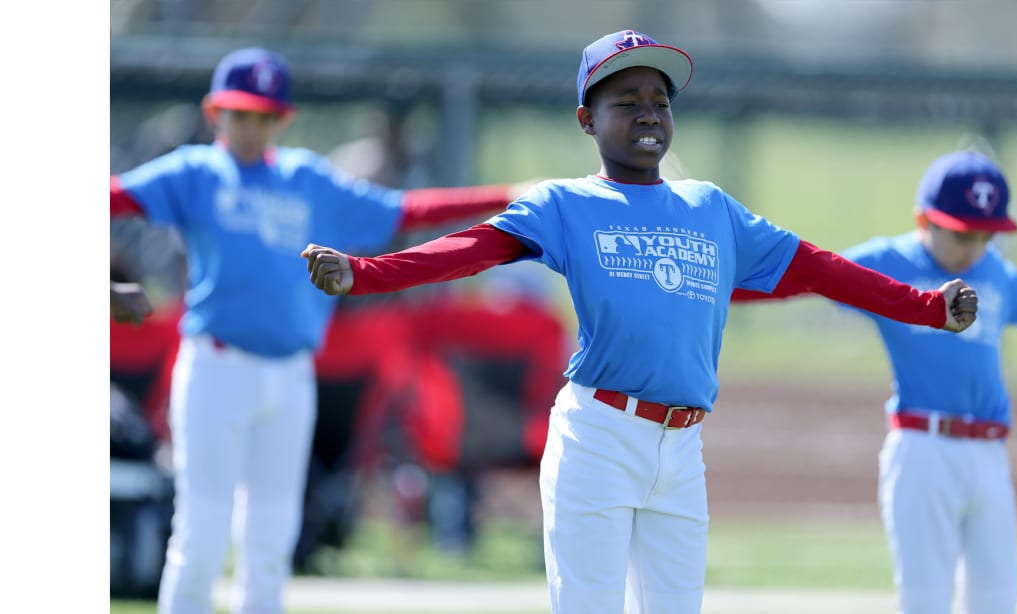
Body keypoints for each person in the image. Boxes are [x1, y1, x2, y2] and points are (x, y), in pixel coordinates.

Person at [298, 30, 982, 614]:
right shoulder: (564, 204)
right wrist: (363, 274)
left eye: (659, 100)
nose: (648, 112)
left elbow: (819, 266)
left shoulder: (709, 206)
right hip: (598, 436)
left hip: (681, 448)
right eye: (626, 101)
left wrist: (925, 307)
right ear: (586, 120)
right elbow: (464, 252)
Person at [107, 47, 535, 614]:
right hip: (215, 367)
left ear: (283, 118)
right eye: (239, 113)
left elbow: (405, 210)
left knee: (271, 535)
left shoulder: (306, 178)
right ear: (216, 114)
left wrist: (506, 195)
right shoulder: (195, 173)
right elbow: (109, 198)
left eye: (262, 114)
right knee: (201, 529)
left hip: (289, 373)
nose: (250, 126)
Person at [737, 149, 1017, 614]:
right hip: (923, 449)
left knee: (999, 601)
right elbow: (809, 279)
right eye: (962, 232)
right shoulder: (890, 260)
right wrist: (711, 293)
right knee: (926, 601)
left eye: (986, 234)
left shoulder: (993, 270)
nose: (974, 245)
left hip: (990, 453)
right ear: (925, 219)